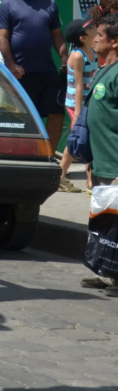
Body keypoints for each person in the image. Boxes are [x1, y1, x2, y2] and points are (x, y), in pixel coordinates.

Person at [0, 0, 67, 151]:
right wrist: (11, 65)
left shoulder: (50, 3)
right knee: (23, 118)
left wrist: (64, 58)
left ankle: (48, 155)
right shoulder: (6, 4)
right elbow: (2, 37)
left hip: (47, 71)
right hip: (20, 73)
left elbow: (57, 35)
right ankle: (26, 155)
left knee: (56, 113)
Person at [81, 15, 118, 288]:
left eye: (100, 36)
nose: (94, 39)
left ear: (114, 42)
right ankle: (108, 270)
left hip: (116, 161)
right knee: (105, 219)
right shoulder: (105, 68)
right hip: (102, 160)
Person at [59, 18, 97, 194]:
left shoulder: (94, 52)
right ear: (83, 37)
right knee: (83, 138)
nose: (95, 28)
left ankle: (60, 175)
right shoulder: (77, 55)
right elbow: (79, 85)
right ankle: (90, 182)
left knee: (78, 140)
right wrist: (79, 113)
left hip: (88, 102)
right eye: (90, 28)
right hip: (76, 105)